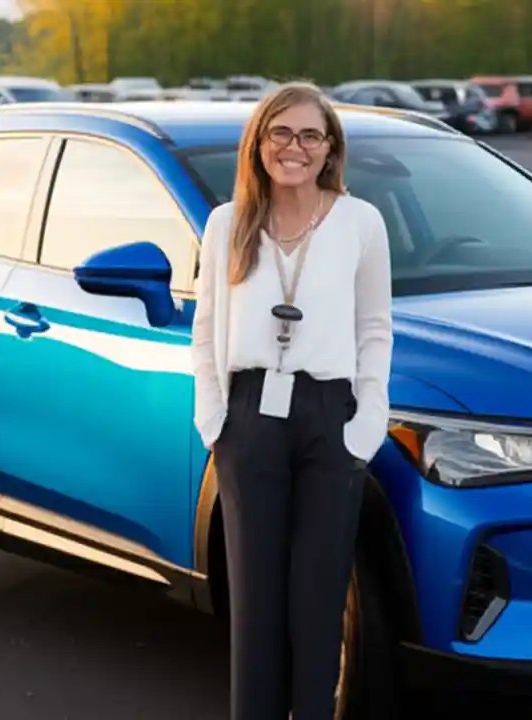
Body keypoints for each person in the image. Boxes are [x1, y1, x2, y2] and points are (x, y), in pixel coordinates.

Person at [190, 82, 394, 720]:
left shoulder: (360, 222)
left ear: (330, 147)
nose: (294, 147)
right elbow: (203, 329)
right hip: (248, 421)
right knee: (254, 605)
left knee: (317, 601)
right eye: (281, 133)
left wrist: (366, 425)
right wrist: (214, 420)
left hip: (330, 419)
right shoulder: (228, 224)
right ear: (258, 143)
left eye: (310, 135)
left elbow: (375, 328)